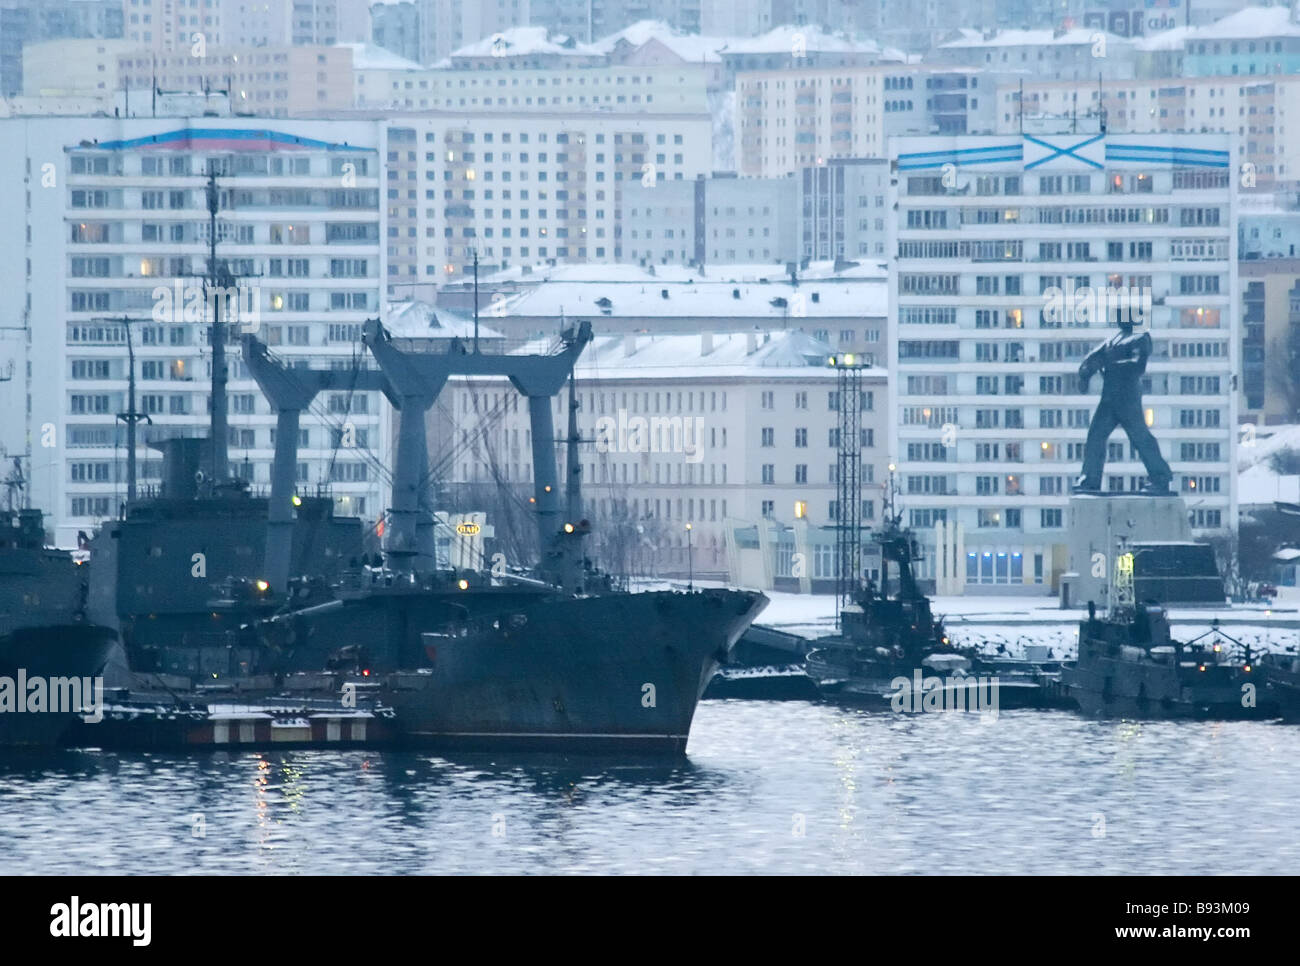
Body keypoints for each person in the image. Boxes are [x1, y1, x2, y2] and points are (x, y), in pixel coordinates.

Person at [1073, 317, 1172, 494]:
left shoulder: (1140, 337)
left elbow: (1138, 366)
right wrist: (1085, 373)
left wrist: (1110, 364)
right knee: (1095, 435)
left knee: (1140, 437)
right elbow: (1094, 357)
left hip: (1128, 397)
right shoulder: (1113, 339)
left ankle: (1160, 478)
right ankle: (1090, 479)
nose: (1120, 318)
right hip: (1109, 397)